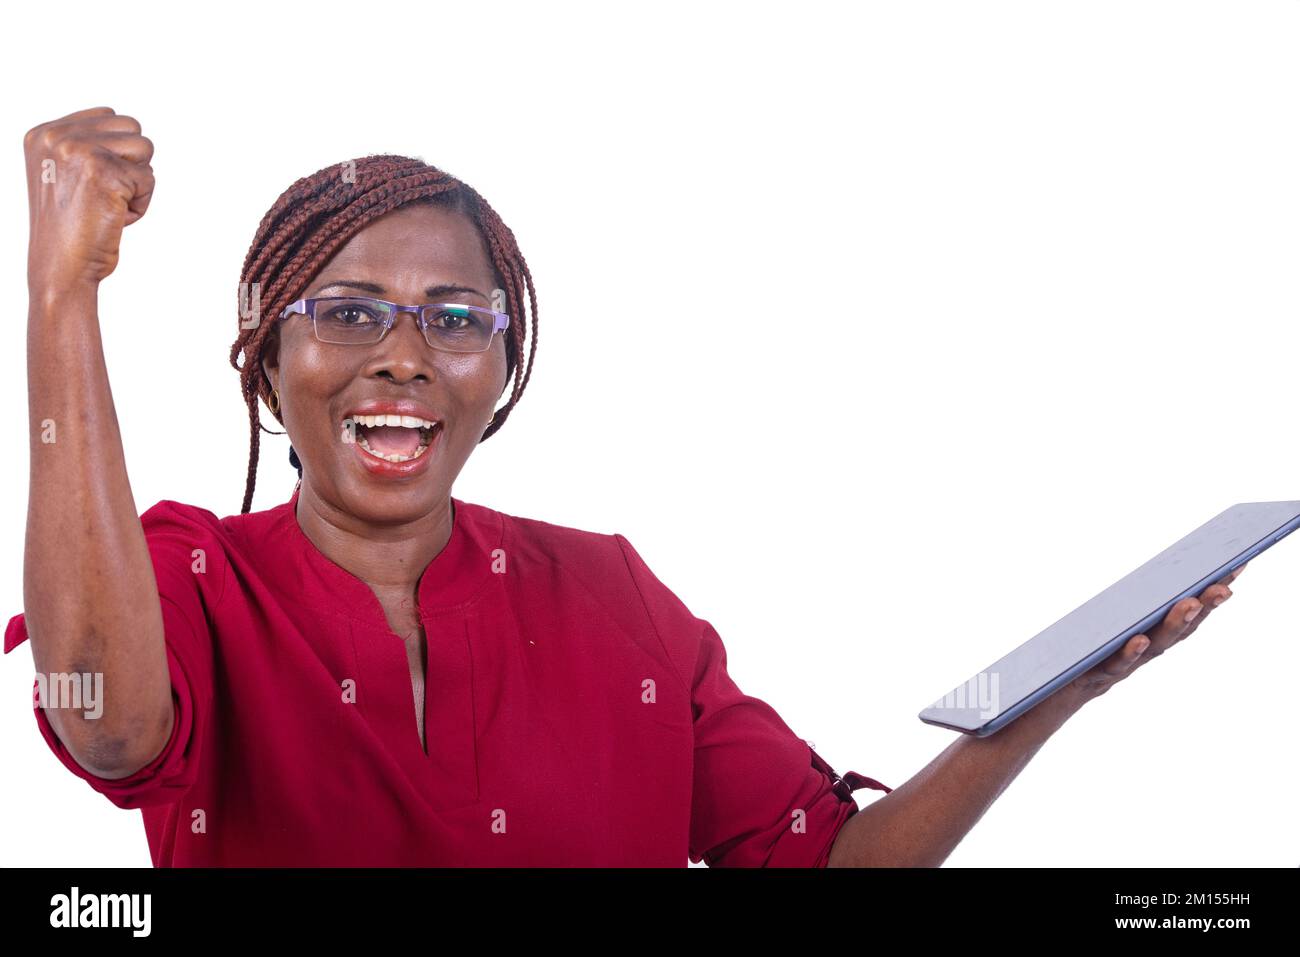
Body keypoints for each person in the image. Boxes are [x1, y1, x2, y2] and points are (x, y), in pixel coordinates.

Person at [6, 106, 1242, 867]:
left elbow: (826, 866)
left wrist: (1057, 693)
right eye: (345, 314)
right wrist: (63, 296)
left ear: (503, 361)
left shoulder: (609, 595)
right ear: (269, 367)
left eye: (453, 316)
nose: (402, 353)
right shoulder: (191, 582)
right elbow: (105, 722)